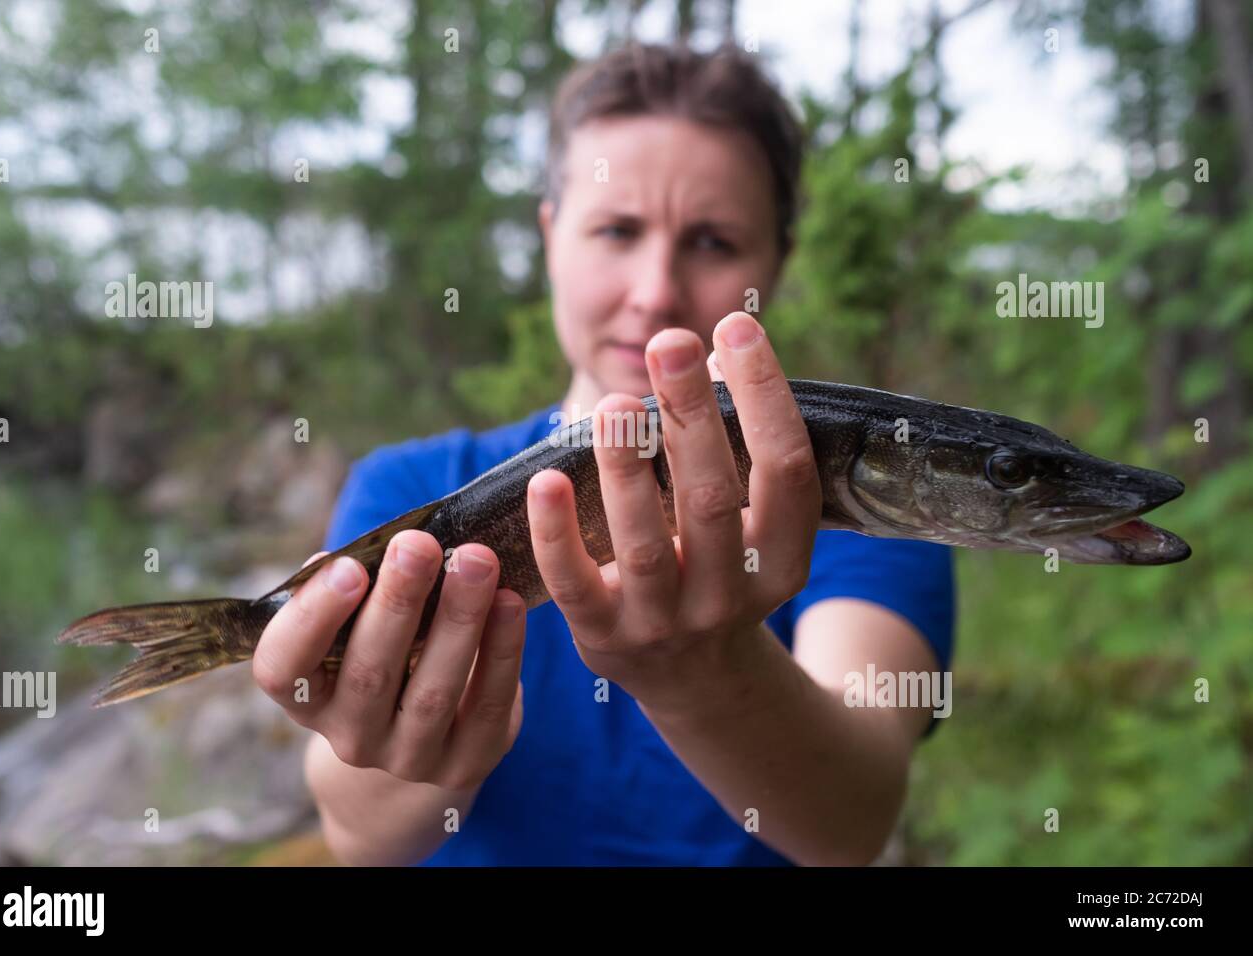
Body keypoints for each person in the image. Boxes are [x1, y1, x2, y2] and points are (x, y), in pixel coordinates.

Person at [252, 42, 954, 866]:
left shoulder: (862, 507)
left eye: (715, 241)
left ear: (777, 262)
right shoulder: (410, 485)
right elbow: (361, 841)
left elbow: (850, 824)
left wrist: (704, 672)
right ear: (551, 237)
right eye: (617, 229)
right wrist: (401, 746)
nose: (656, 288)